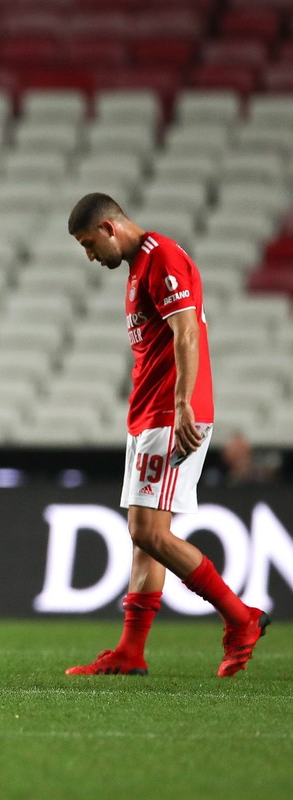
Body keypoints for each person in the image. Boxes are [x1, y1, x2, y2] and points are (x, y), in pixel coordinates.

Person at [66, 192, 269, 678]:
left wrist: (181, 406)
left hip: (171, 412)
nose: (91, 257)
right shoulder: (139, 267)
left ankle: (240, 618)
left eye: (90, 244)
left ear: (110, 229)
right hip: (148, 415)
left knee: (147, 531)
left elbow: (187, 332)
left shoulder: (162, 258)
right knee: (145, 540)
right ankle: (131, 652)